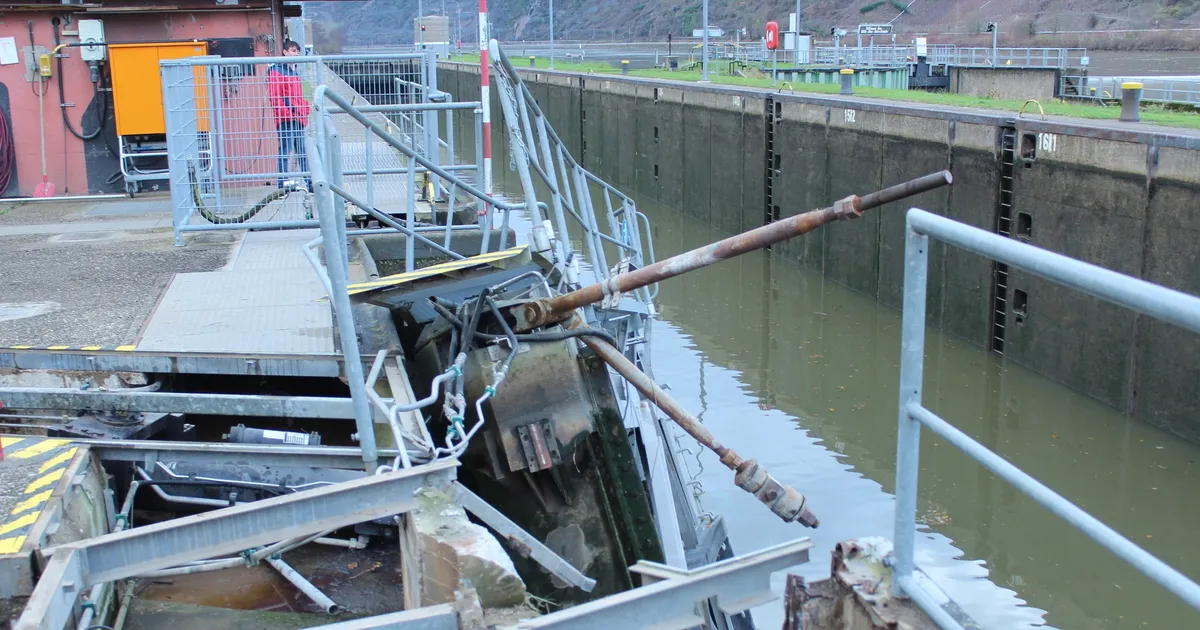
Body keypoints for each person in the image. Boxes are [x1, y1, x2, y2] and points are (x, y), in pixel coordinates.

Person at [267, 40, 312, 191]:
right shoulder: (277, 71)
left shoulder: (293, 71)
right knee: (287, 151)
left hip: (296, 117)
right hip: (287, 119)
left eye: (297, 51)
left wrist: (304, 109)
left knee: (300, 151)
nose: (296, 53)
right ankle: (283, 184)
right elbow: (275, 97)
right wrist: (288, 113)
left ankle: (308, 183)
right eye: (293, 50)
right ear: (285, 52)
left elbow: (297, 97)